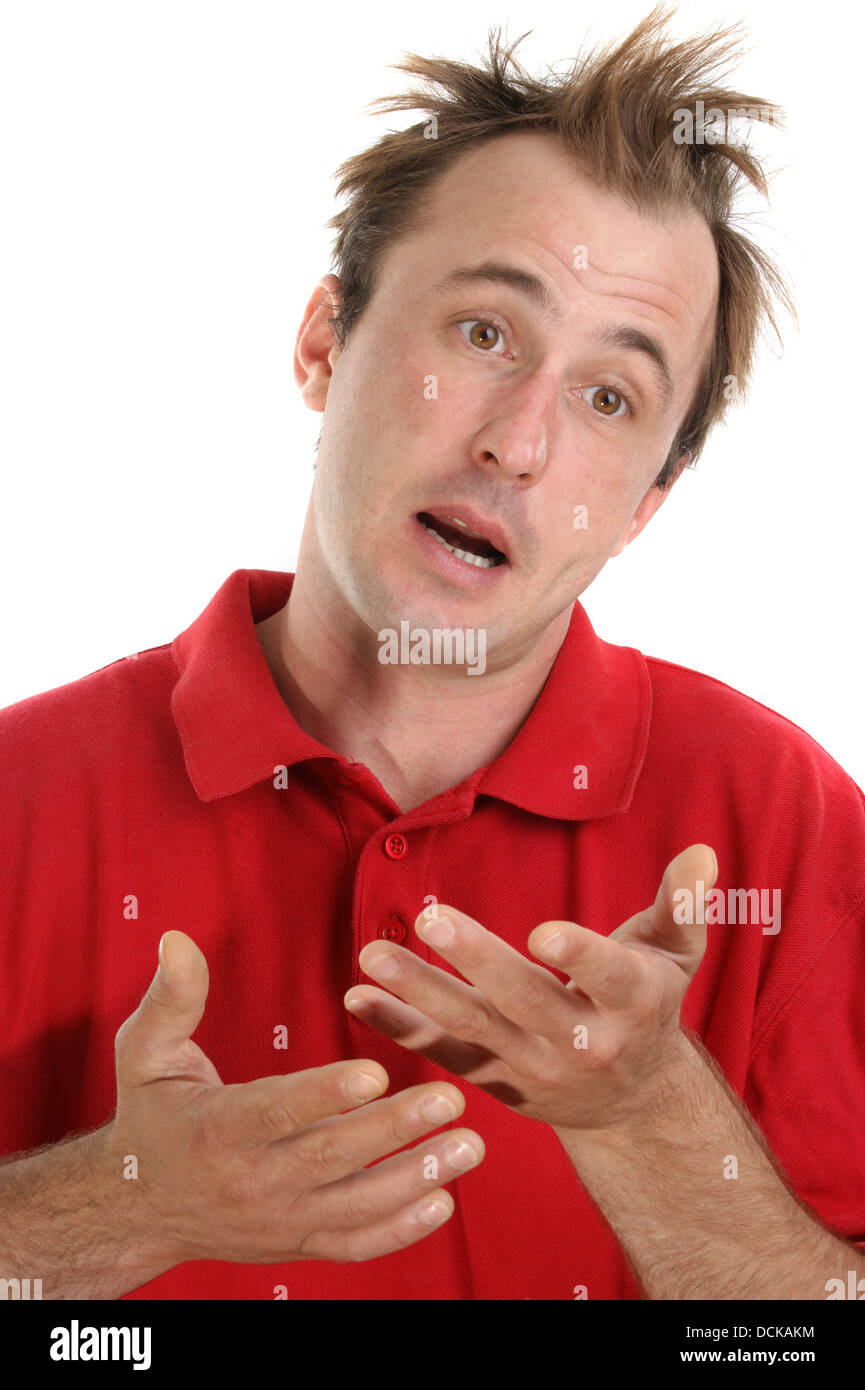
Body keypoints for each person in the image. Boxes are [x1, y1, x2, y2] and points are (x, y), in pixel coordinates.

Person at [1, 7, 863, 1302]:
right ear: (323, 341)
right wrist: (107, 1209)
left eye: (608, 395)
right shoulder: (21, 797)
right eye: (482, 332)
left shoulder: (785, 824)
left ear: (644, 505)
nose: (518, 443)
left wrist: (651, 1124)